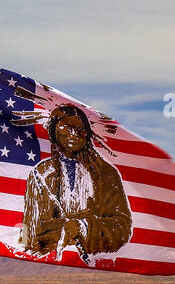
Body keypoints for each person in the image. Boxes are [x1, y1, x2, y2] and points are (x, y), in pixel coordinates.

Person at [19, 104, 132, 259]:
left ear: (87, 134)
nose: (74, 134)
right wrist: (63, 229)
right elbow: (31, 233)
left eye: (80, 129)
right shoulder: (41, 174)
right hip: (51, 263)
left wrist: (83, 227)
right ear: (53, 133)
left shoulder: (106, 174)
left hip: (96, 263)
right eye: (66, 127)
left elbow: (122, 228)